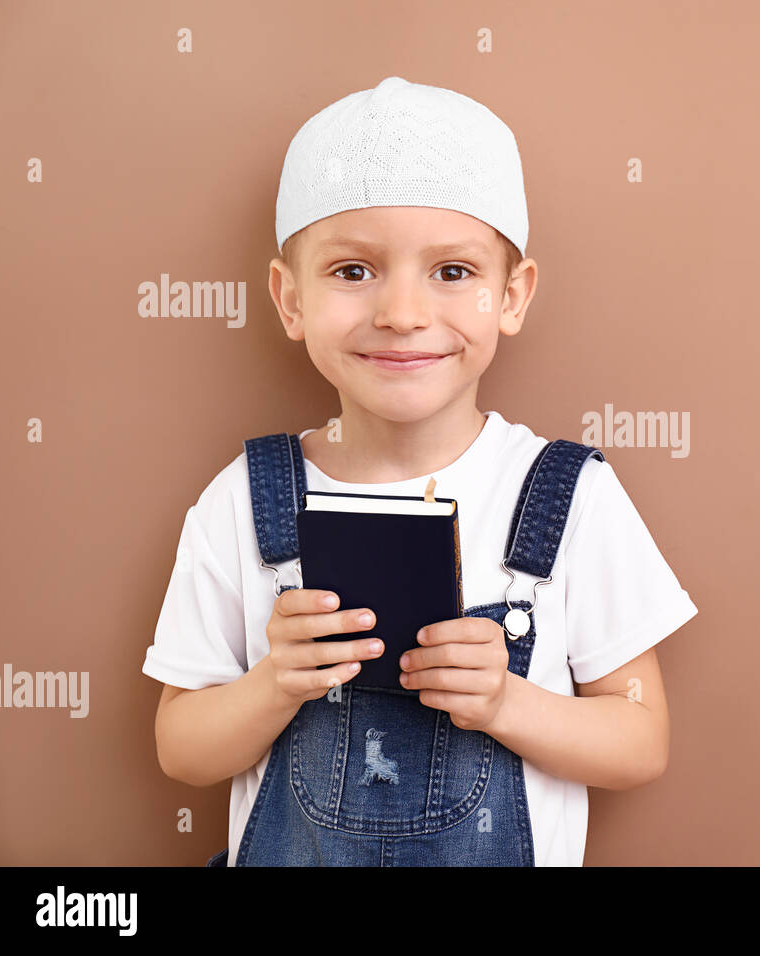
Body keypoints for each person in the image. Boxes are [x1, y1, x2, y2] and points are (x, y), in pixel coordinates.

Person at [141, 76, 698, 866]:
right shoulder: (243, 499)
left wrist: (507, 702)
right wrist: (274, 684)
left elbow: (640, 740)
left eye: (452, 272)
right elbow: (181, 747)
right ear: (289, 299)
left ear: (513, 295)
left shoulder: (569, 497)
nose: (402, 313)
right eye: (354, 271)